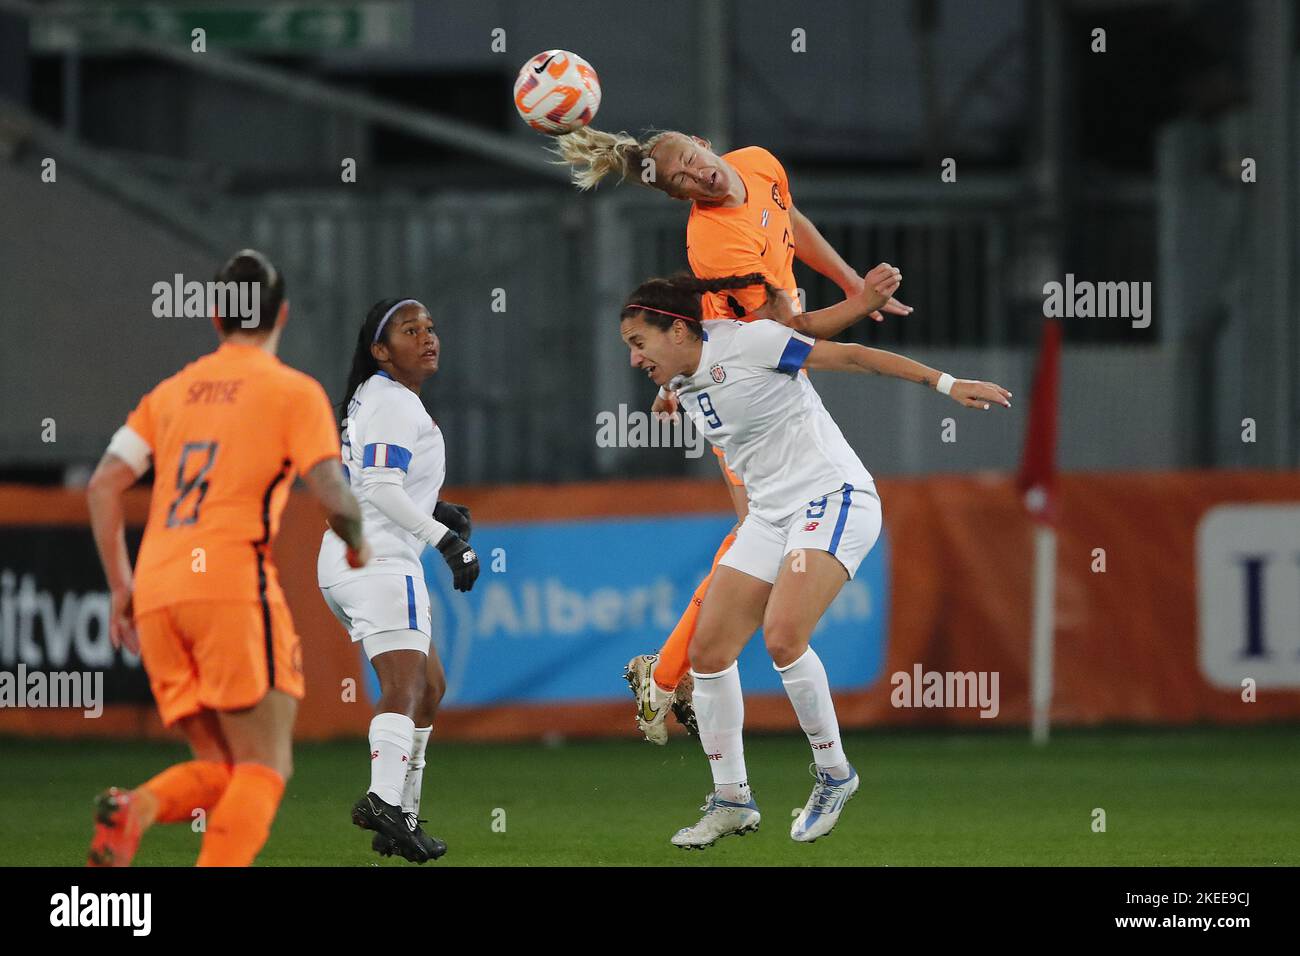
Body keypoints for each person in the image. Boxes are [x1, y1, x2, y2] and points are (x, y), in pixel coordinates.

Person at [617, 269, 1011, 848]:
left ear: (677, 330)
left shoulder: (752, 343)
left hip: (832, 498)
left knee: (782, 637)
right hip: (771, 517)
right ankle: (732, 800)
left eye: (637, 343)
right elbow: (704, 399)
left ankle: (834, 774)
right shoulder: (683, 373)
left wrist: (947, 384)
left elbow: (852, 357)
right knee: (707, 653)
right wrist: (665, 387)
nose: (633, 359)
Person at [554, 126, 913, 742]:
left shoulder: (757, 161)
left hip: (746, 369)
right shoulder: (714, 243)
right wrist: (855, 306)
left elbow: (790, 221)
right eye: (683, 181)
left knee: (757, 537)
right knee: (757, 532)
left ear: (702, 141)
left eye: (693, 161)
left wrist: (852, 281)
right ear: (679, 199)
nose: (699, 176)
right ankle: (671, 677)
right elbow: (788, 331)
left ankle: (671, 676)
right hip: (736, 388)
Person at [85, 249, 370, 867]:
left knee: (222, 767)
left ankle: (133, 810)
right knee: (268, 767)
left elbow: (103, 484)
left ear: (215, 315)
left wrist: (120, 588)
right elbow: (331, 490)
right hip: (229, 586)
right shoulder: (293, 392)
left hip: (158, 592)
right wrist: (356, 538)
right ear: (283, 316)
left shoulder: (170, 392)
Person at [317, 297, 479, 864]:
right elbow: (383, 488)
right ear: (381, 351)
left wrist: (438, 506)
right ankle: (385, 802)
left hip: (353, 560)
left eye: (431, 327)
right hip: (381, 560)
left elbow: (375, 483)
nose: (428, 337)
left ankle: (399, 818)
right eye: (412, 331)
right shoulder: (391, 401)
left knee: (428, 689)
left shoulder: (378, 397)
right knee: (406, 689)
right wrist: (447, 540)